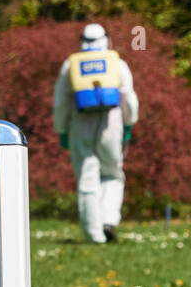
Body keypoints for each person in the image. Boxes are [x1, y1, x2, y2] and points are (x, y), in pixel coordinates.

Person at [53, 23, 139, 243]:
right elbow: (128, 97)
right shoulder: (117, 64)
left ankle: (94, 234)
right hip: (111, 125)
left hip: (80, 126)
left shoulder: (70, 65)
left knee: (87, 178)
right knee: (113, 174)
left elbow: (61, 103)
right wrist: (129, 125)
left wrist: (62, 130)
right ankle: (108, 219)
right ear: (106, 39)